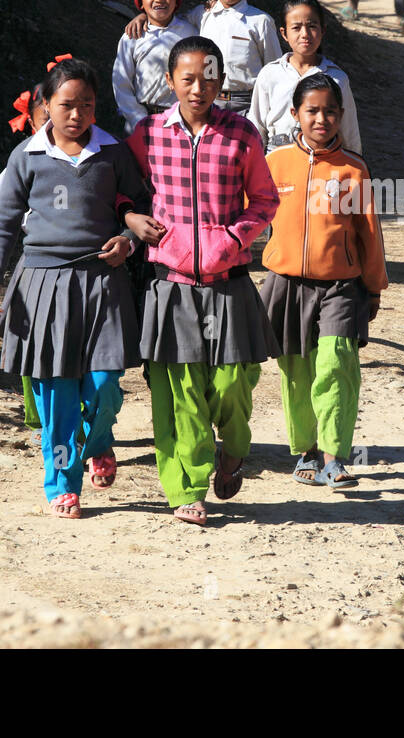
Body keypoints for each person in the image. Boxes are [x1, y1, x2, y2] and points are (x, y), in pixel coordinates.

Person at [0, 57, 152, 518]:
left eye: (87, 106)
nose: (77, 115)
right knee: (56, 392)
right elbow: (4, 223)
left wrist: (128, 240)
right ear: (46, 106)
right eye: (67, 106)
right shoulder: (27, 157)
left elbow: (138, 207)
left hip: (103, 281)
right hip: (42, 282)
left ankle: (98, 440)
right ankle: (62, 482)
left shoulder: (113, 153)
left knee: (105, 384)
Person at [124, 36, 280, 527]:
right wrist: (130, 218)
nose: (198, 88)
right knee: (182, 389)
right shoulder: (147, 135)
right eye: (187, 78)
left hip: (228, 279)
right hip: (170, 282)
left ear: (221, 80)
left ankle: (233, 447)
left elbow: (265, 201)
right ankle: (188, 488)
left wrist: (234, 238)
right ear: (169, 81)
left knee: (234, 381)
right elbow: (120, 193)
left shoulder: (241, 134)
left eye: (207, 77)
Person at [261, 74, 387, 490]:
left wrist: (373, 286)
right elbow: (249, 215)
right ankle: (306, 451)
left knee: (337, 366)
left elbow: (369, 233)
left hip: (341, 286)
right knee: (296, 371)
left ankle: (335, 456)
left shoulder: (353, 169)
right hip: (286, 285)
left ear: (341, 115)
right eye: (312, 110)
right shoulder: (275, 164)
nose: (321, 118)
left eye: (330, 111)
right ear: (295, 114)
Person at [0, 76, 51, 434]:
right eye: (43, 118)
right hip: (34, 265)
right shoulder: (25, 156)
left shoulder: (99, 153)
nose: (52, 124)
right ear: (31, 122)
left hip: (85, 266)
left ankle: (82, 422)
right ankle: (42, 422)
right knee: (32, 341)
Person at [124, 0, 281, 116]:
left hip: (247, 105)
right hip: (207, 104)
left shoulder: (260, 21)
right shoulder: (202, 14)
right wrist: (144, 16)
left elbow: (274, 71)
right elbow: (168, 20)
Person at [250, 0, 362, 154]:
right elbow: (256, 127)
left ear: (322, 31)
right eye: (296, 27)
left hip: (322, 159)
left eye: (312, 26)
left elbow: (349, 132)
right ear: (284, 33)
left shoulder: (337, 78)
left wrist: (356, 166)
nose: (305, 34)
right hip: (276, 160)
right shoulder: (270, 74)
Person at [111, 0, 197, 134]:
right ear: (141, 2)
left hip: (180, 120)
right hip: (140, 120)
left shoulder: (190, 33)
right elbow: (121, 82)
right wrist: (138, 119)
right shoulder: (132, 36)